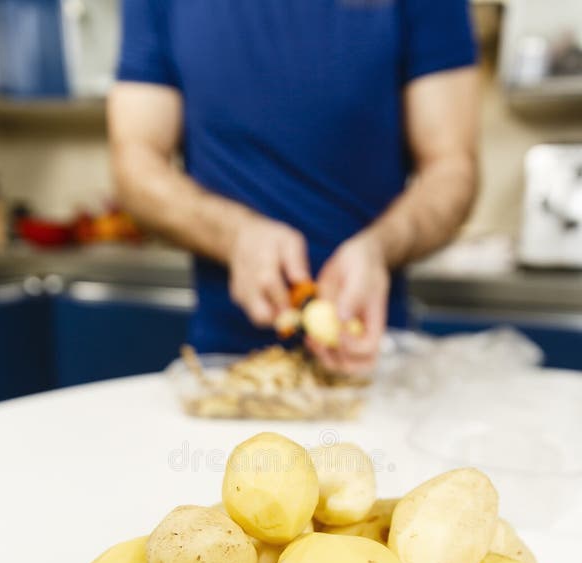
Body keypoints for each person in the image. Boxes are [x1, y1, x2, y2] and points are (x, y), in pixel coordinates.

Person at [109, 0, 479, 375]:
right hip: (227, 370)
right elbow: (136, 162)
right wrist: (234, 234)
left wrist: (379, 248)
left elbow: (450, 166)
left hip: (374, 360)